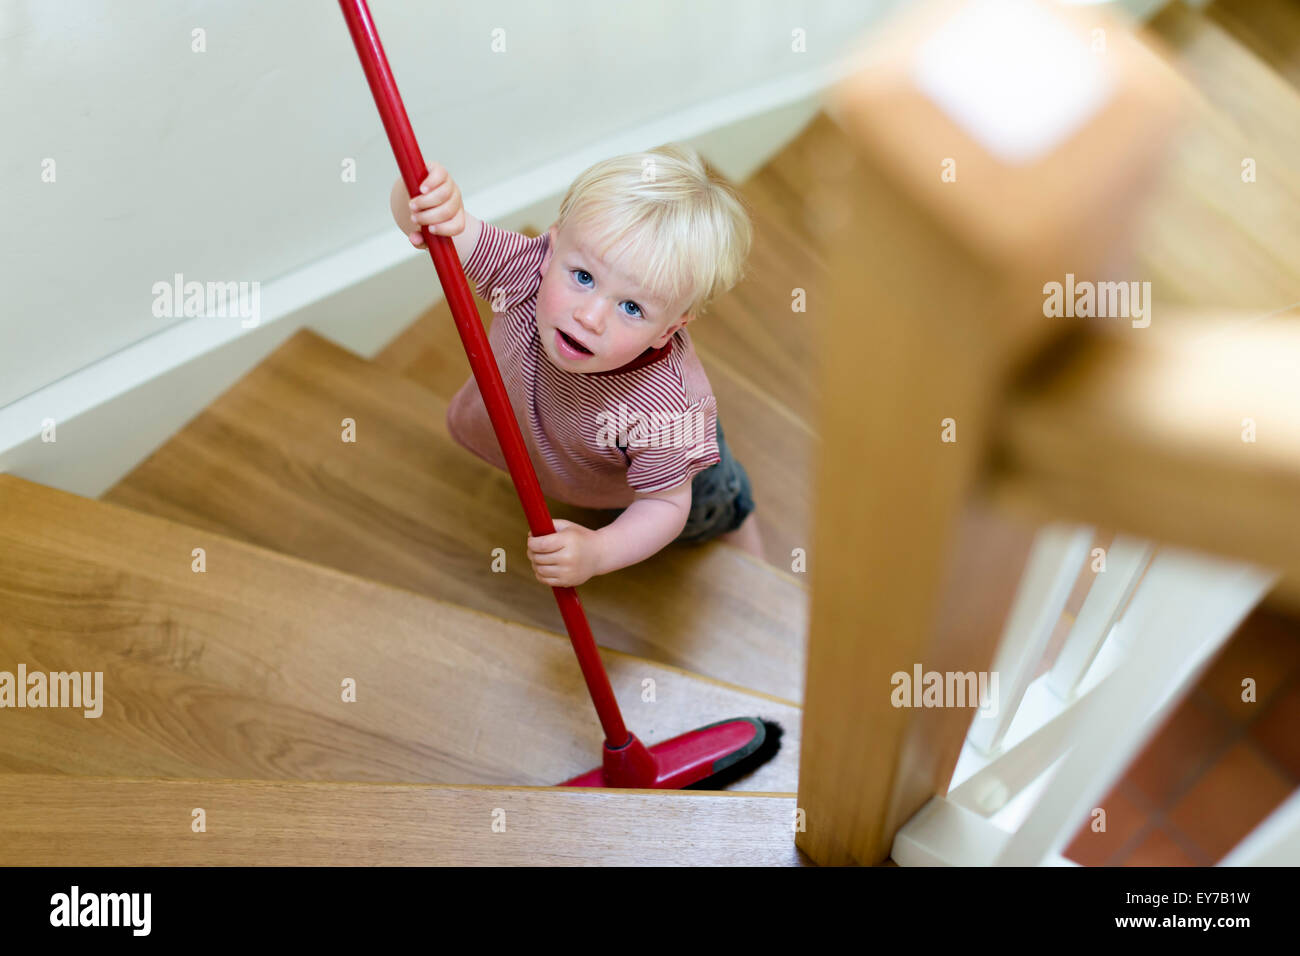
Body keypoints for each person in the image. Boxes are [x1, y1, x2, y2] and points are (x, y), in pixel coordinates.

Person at [389, 144, 761, 588]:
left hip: (683, 473)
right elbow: (439, 229)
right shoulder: (525, 275)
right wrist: (424, 200)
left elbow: (665, 506)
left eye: (631, 307)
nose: (590, 317)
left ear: (668, 330)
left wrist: (599, 551)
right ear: (551, 248)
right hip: (586, 465)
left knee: (720, 507)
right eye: (583, 277)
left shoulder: (667, 411)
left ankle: (755, 559)